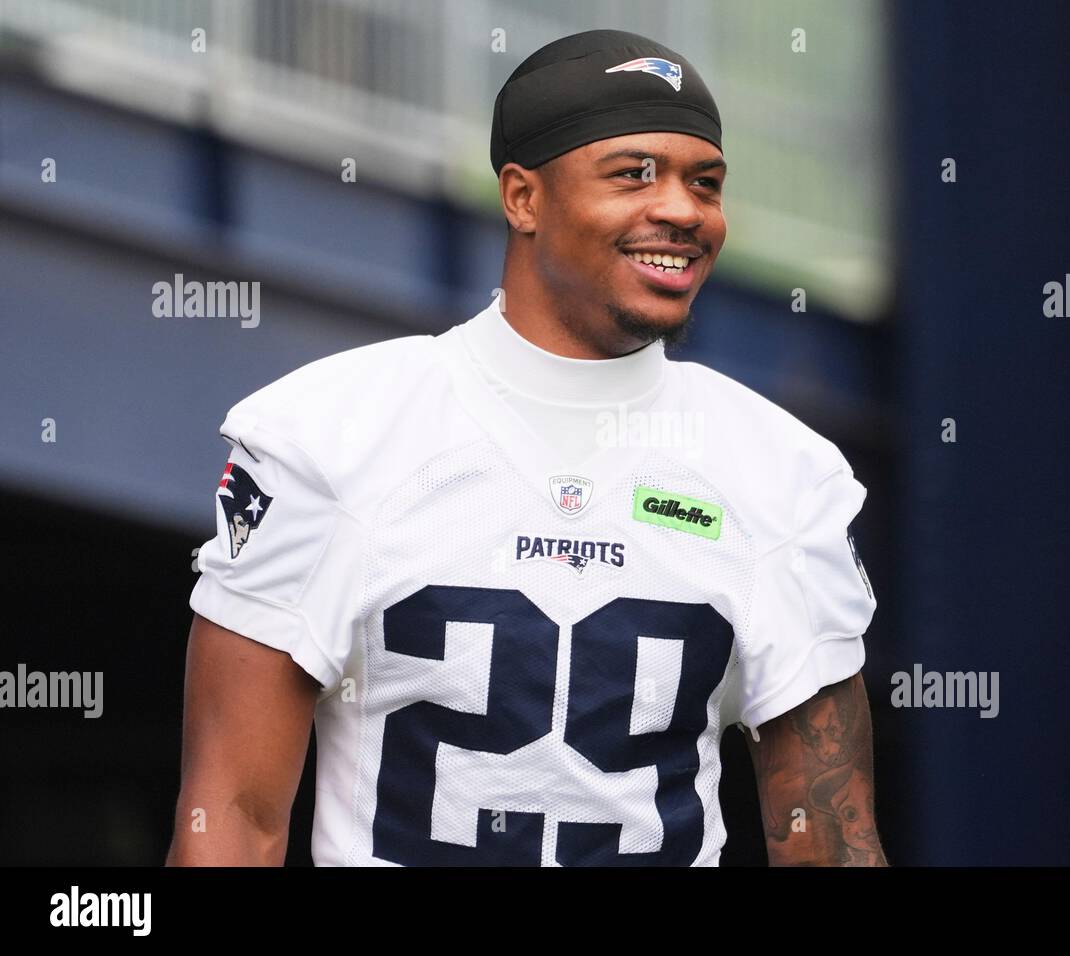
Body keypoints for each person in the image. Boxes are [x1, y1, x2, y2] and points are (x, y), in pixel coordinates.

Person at [167, 28, 886, 867]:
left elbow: (831, 843)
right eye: (634, 174)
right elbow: (233, 818)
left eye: (706, 182)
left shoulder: (784, 474)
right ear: (522, 198)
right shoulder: (329, 434)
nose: (684, 210)